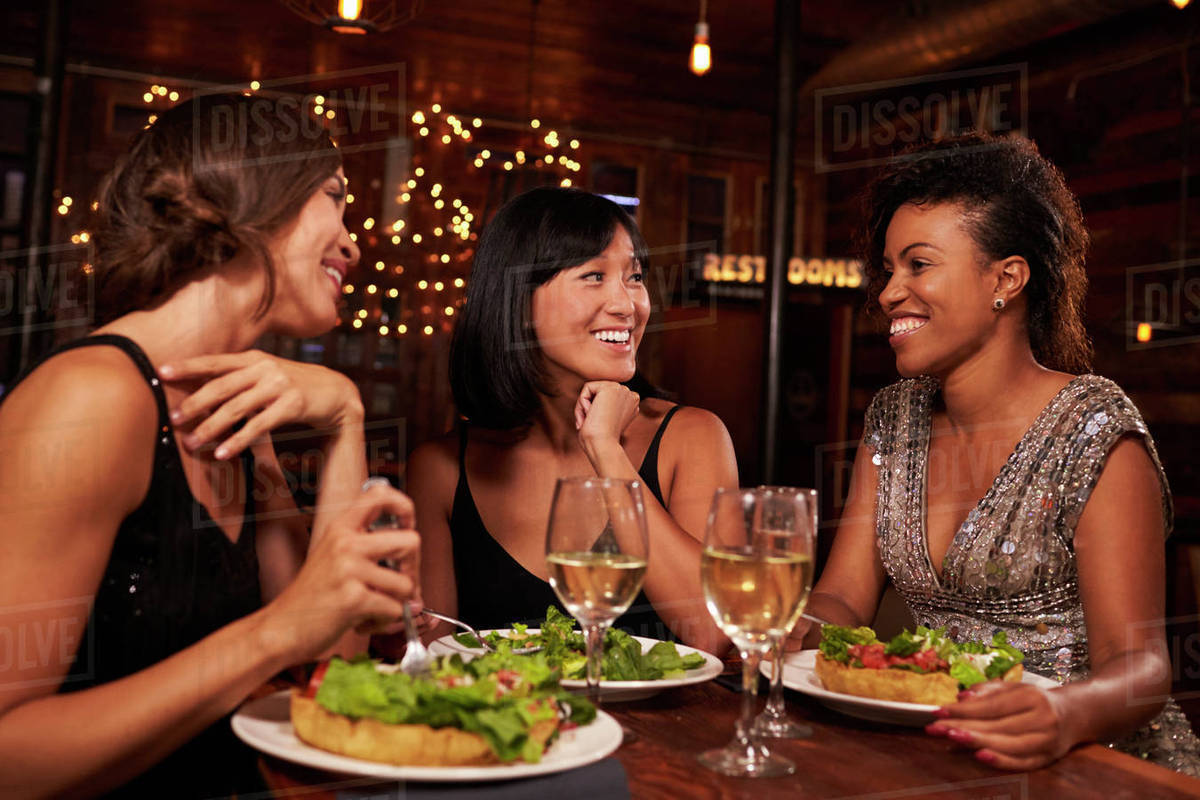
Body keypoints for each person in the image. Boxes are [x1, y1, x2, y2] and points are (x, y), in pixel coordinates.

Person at [0, 94, 420, 798]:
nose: (352, 241)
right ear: (250, 196)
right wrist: (272, 633)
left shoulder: (236, 421)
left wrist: (345, 414)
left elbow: (332, 671)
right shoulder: (90, 399)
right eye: (334, 198)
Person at [798, 131, 1200, 775]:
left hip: (1099, 764)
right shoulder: (894, 417)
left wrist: (1065, 714)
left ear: (1006, 279)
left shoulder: (1093, 428)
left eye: (918, 264)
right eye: (888, 268)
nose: (888, 292)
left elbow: (1143, 668)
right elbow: (844, 599)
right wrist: (786, 630)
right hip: (947, 751)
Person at [408, 187, 736, 654]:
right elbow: (432, 658)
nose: (628, 305)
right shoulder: (440, 469)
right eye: (594, 276)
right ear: (518, 305)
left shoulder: (693, 438)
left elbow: (713, 631)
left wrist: (606, 450)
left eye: (634, 276)